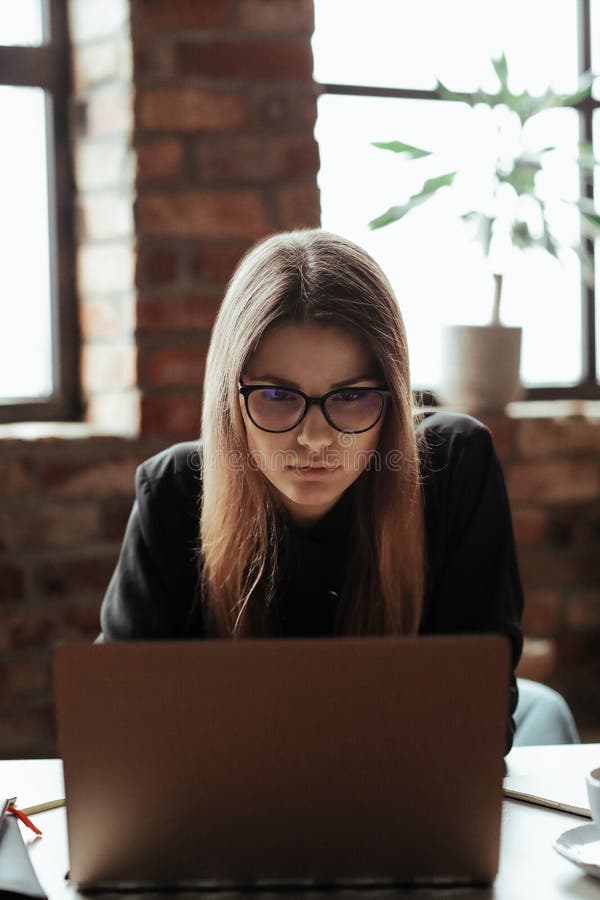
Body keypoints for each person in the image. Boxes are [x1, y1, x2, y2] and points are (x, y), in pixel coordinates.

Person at [98, 228, 578, 752]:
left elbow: (477, 723)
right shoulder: (173, 491)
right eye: (278, 394)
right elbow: (118, 728)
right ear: (229, 398)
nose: (314, 438)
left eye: (350, 395)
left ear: (392, 397)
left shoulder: (453, 467)